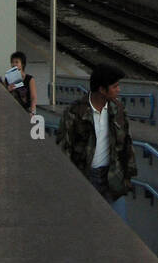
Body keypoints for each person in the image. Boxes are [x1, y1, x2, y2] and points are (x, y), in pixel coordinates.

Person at [56, 64, 136, 215]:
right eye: (115, 86)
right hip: (85, 179)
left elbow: (127, 144)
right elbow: (63, 149)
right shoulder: (75, 113)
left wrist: (127, 177)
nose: (118, 90)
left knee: (118, 230)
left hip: (113, 178)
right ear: (102, 89)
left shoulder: (118, 110)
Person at [2, 50, 37, 116]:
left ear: (22, 64)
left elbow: (33, 97)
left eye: (17, 62)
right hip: (11, 111)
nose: (14, 64)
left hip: (26, 111)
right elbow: (2, 96)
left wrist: (32, 111)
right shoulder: (7, 78)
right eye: (12, 62)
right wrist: (7, 89)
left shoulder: (29, 79)